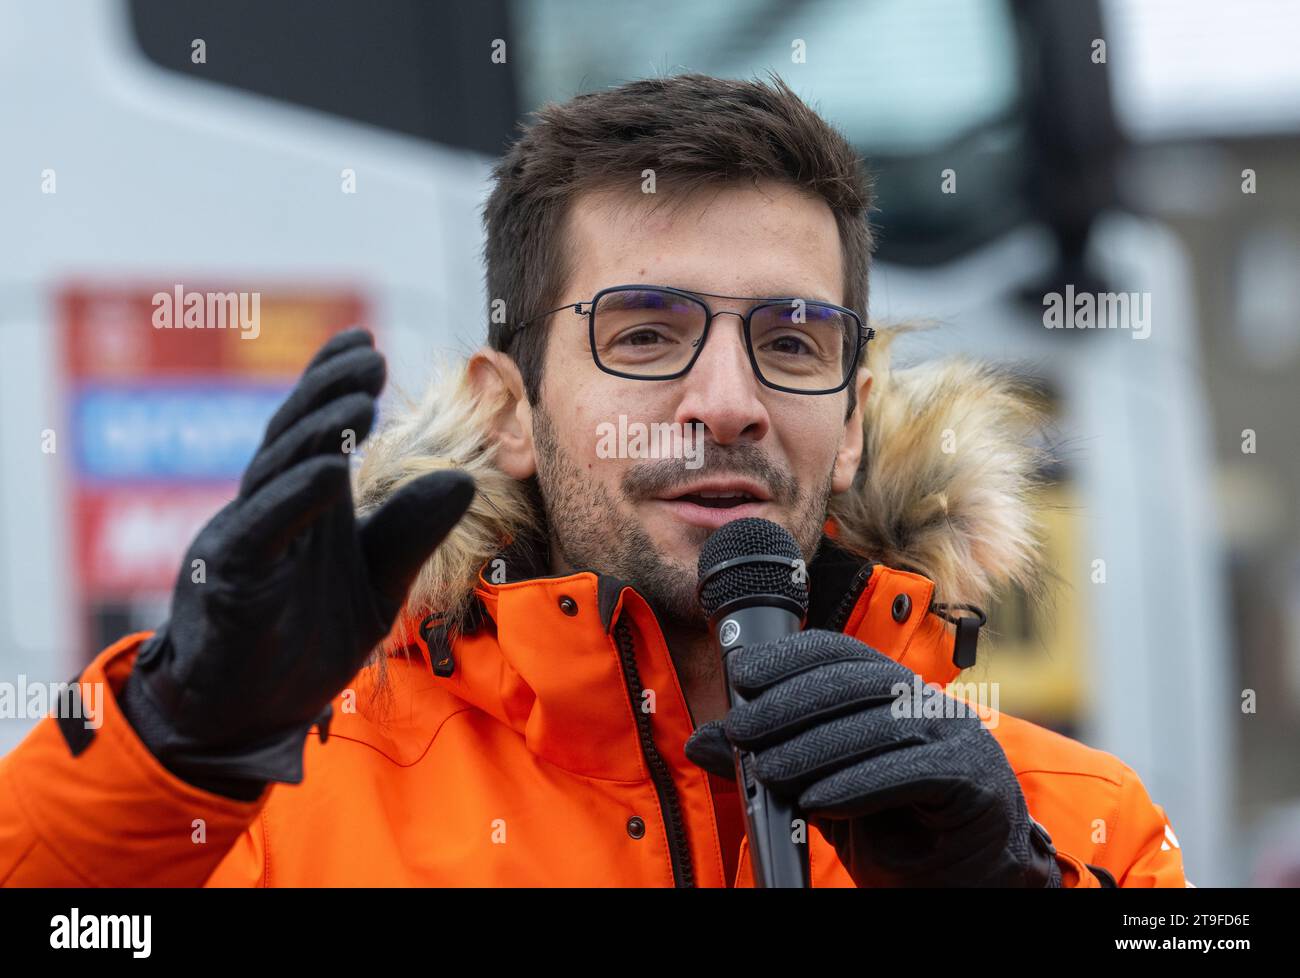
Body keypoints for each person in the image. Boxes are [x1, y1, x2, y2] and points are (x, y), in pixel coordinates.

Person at [0, 73, 1188, 887]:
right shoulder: (278, 814)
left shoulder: (1072, 817)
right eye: (644, 332)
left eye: (790, 341)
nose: (728, 402)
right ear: (508, 410)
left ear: (856, 415)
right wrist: (168, 748)